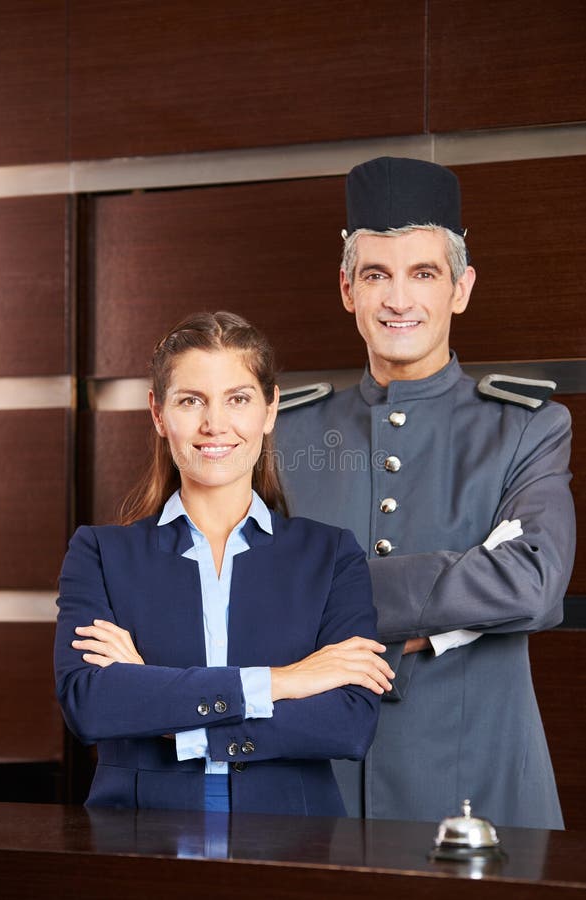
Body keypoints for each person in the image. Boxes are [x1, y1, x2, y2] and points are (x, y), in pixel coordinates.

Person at [276, 156, 576, 829]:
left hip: (481, 784)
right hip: (317, 787)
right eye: (376, 275)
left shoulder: (526, 426)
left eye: (423, 274)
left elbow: (532, 583)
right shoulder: (282, 433)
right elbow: (251, 597)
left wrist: (331, 593)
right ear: (347, 290)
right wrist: (458, 599)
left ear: (460, 289)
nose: (399, 300)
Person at [55, 311, 394, 815]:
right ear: (158, 413)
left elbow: (347, 722)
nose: (214, 424)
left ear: (270, 408)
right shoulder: (100, 554)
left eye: (238, 398)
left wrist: (154, 700)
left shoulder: (332, 556)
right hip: (134, 840)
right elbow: (91, 704)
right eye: (191, 401)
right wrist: (285, 680)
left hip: (293, 843)